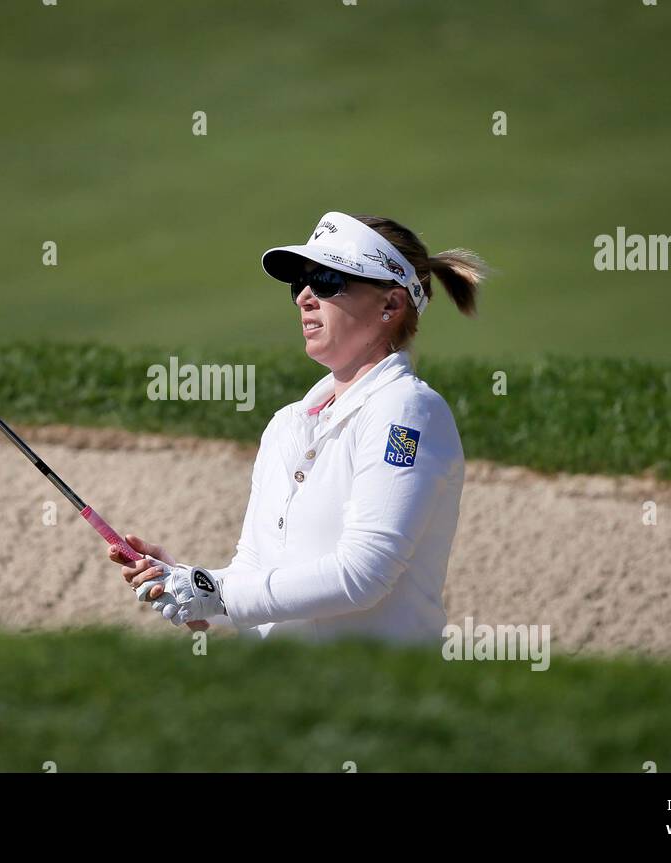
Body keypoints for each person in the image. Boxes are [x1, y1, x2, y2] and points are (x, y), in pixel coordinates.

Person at [110, 212, 488, 643]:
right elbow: (254, 573)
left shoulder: (407, 410)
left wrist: (216, 593)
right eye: (300, 284)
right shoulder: (287, 424)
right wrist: (188, 583)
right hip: (281, 691)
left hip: (378, 696)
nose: (304, 297)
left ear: (391, 305)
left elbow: (364, 574)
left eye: (328, 281)